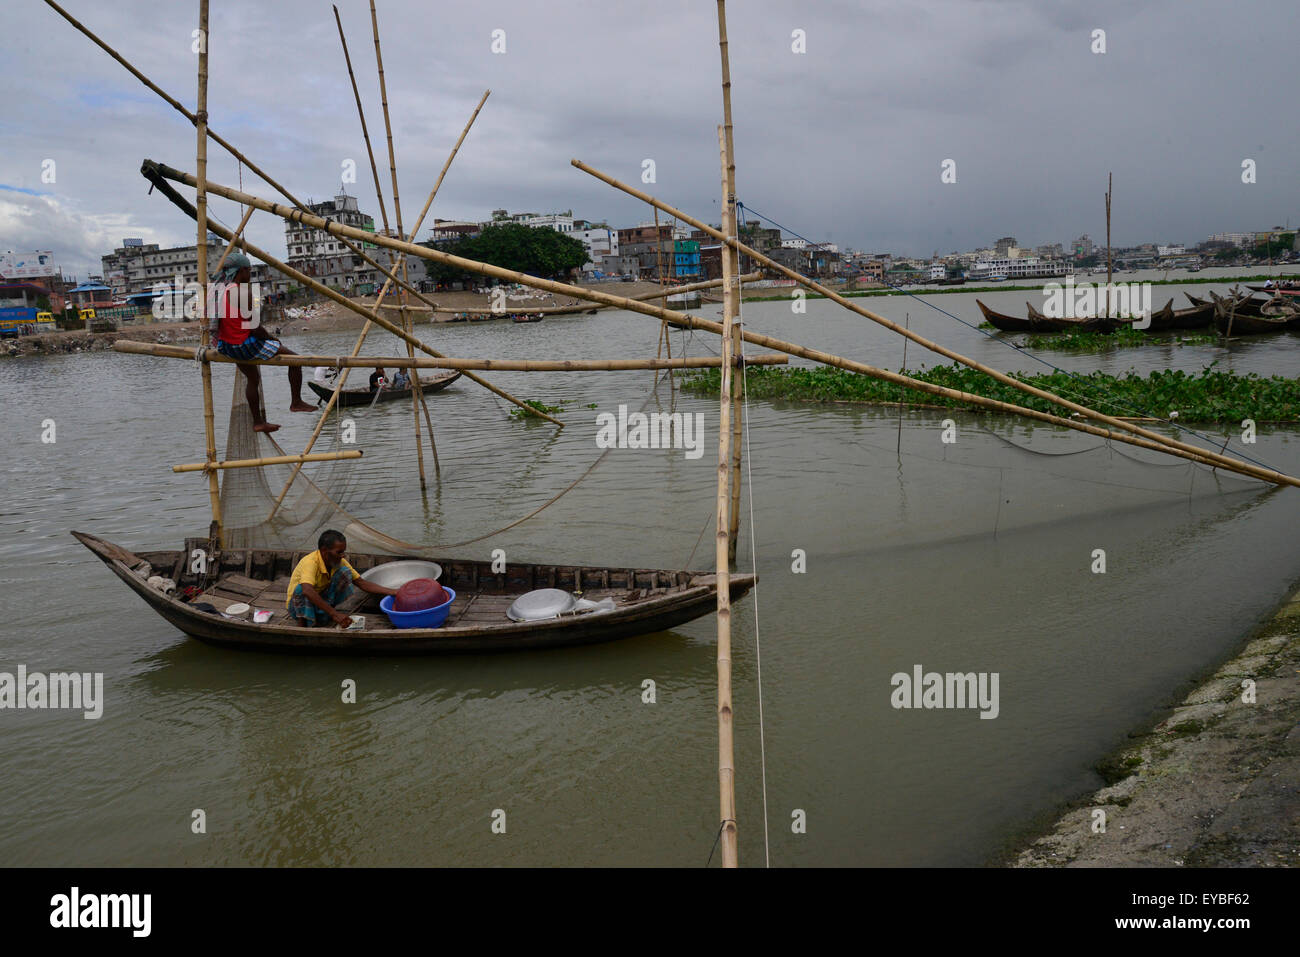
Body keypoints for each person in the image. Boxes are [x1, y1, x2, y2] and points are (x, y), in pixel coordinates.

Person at [210, 251, 315, 433]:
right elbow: (254, 328)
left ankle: (258, 422)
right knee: (296, 360)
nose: (249, 275)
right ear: (242, 271)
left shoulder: (221, 291)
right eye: (249, 271)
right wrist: (272, 338)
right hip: (244, 345)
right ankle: (296, 402)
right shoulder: (242, 293)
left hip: (226, 347)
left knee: (253, 378)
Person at [287, 529, 398, 628]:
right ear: (325, 551)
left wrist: (393, 591)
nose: (343, 555)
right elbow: (307, 590)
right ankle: (303, 625)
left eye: (343, 551)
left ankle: (325, 613)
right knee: (301, 589)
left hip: (318, 600)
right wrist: (335, 614)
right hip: (297, 607)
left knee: (345, 573)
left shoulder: (339, 562)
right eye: (339, 552)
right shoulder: (310, 562)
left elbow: (361, 583)